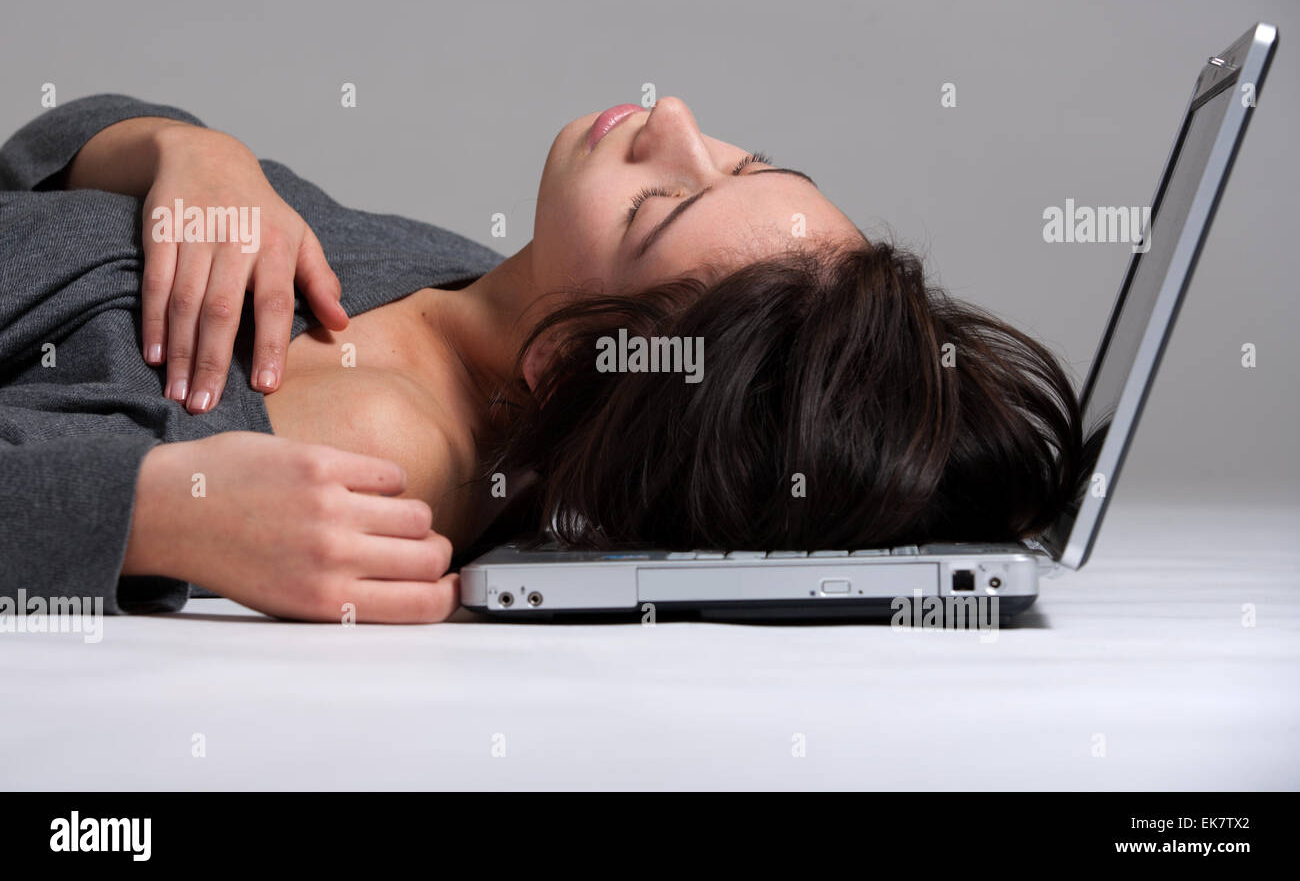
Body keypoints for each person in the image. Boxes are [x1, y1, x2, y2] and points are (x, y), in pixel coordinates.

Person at [0, 94, 1084, 623]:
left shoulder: (383, 437)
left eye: (664, 199)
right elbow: (36, 182)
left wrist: (148, 513)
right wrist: (186, 150)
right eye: (742, 162)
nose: (672, 118)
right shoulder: (453, 279)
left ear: (568, 362)